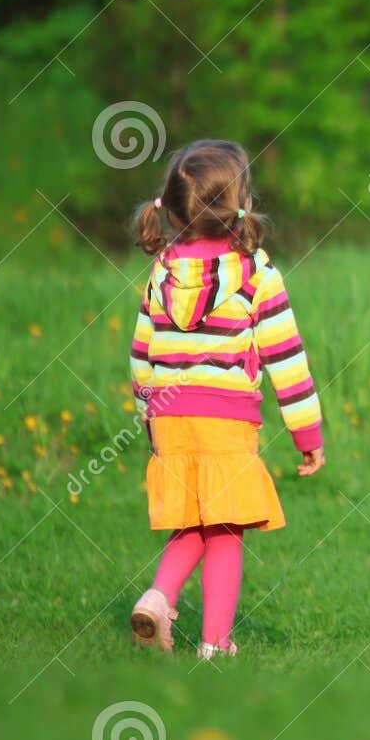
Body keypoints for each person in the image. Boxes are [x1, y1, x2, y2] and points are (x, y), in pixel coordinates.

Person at [125, 140, 325, 658]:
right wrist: (308, 435)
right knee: (226, 527)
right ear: (242, 203)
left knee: (193, 520)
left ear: (170, 209)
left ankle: (158, 596)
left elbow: (142, 352)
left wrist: (148, 415)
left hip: (170, 418)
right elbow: (287, 359)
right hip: (224, 420)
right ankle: (215, 645)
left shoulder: (163, 270)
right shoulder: (257, 273)